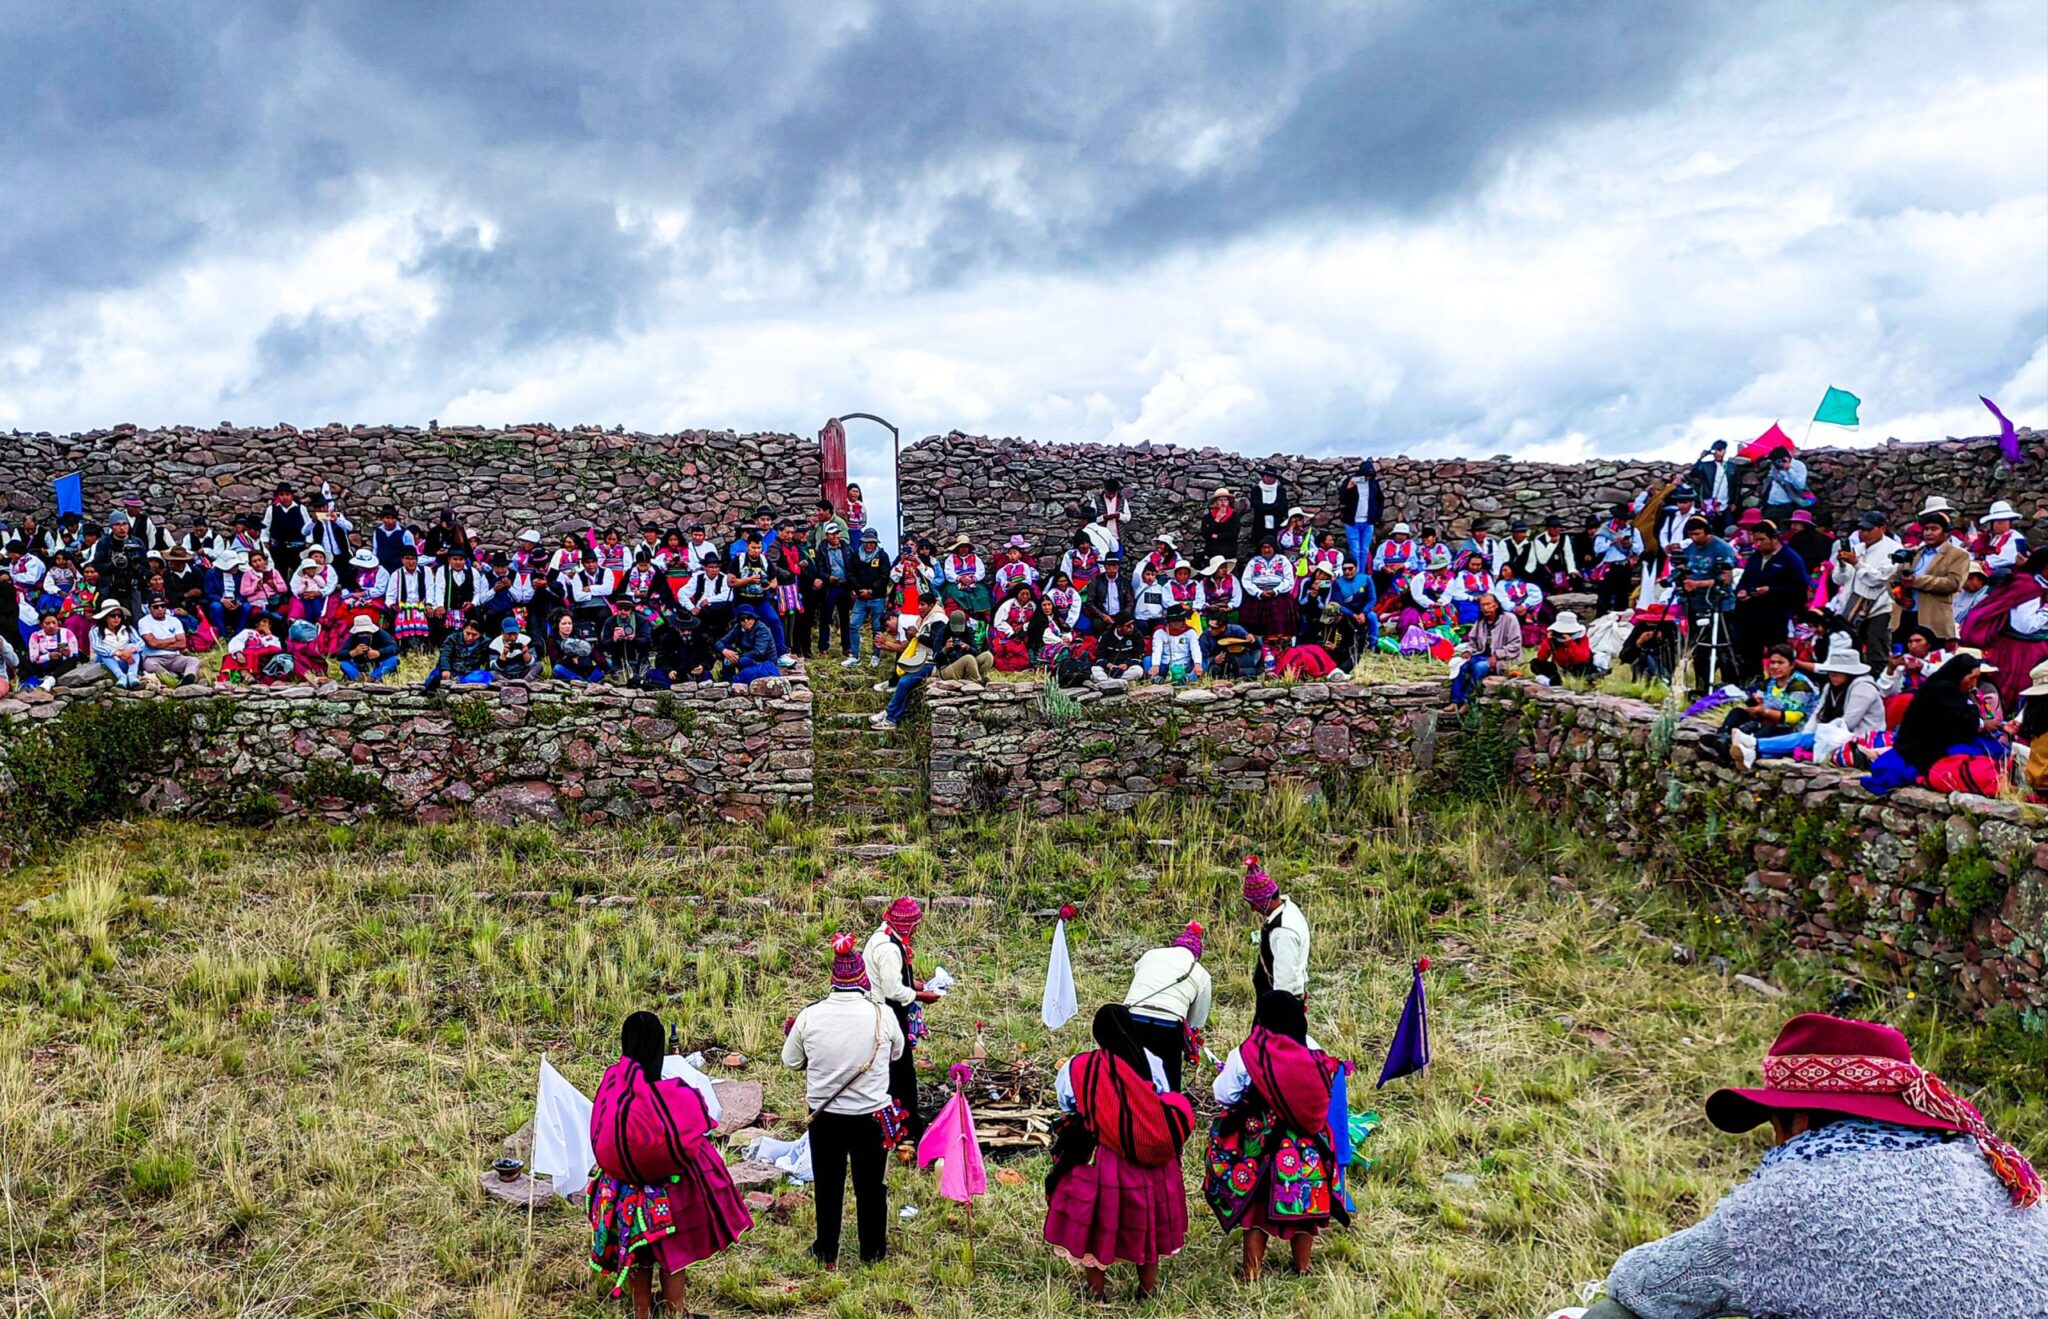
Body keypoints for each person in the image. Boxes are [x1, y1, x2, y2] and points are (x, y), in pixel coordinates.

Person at [1572, 1013, 2042, 1319]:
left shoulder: (1791, 1198)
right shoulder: (1985, 1163)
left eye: (1776, 1124)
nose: (1776, 1145)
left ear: (1799, 1116)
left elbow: (1647, 1287)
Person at [588, 1011, 752, 1317]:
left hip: (622, 1192)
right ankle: (676, 1313)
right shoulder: (669, 1094)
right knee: (672, 1255)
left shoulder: (613, 1084)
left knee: (640, 1253)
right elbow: (699, 1121)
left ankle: (642, 1312)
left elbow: (599, 1126)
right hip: (667, 1194)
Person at [1044, 1004, 1197, 1303]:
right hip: (1152, 1161)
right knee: (1148, 1225)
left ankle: (1097, 1294)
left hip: (1104, 1157)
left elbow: (1068, 1103)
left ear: (1098, 1034)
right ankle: (1146, 1292)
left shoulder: (1079, 1067)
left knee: (1096, 1225)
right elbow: (1162, 1100)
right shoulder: (1151, 1061)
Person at [1203, 991, 1349, 1282]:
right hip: (1310, 1143)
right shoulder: (1314, 1050)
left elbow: (1224, 1094)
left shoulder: (1248, 1052)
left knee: (1255, 1210)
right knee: (1308, 1205)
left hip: (1262, 1143)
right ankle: (1302, 1267)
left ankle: (1251, 1271)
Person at [782, 935, 904, 1269]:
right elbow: (897, 1052)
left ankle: (826, 1250)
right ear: (862, 979)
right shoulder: (881, 1015)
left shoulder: (810, 1016)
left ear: (833, 981)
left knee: (828, 1182)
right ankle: (872, 1250)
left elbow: (791, 1060)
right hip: (872, 1114)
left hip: (826, 1115)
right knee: (872, 1184)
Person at [1731, 641, 1883, 768]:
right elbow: (1818, 714)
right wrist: (1806, 734)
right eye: (1830, 671)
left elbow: (1848, 722)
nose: (1832, 675)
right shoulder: (1830, 687)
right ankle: (1750, 753)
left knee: (1808, 740)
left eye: (1837, 672)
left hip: (1861, 740)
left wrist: (1815, 736)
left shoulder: (1863, 688)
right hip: (1834, 736)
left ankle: (1753, 744)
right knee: (1803, 741)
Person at [863, 898, 937, 1143]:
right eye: (914, 925)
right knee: (901, 1069)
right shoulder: (888, 948)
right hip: (887, 1014)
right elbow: (893, 990)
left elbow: (891, 978)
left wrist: (913, 983)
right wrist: (920, 995)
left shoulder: (887, 937)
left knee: (895, 1067)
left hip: (885, 1009)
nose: (916, 929)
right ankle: (906, 1125)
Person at [1120, 921, 1212, 1095]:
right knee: (1168, 1075)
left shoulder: (1151, 955)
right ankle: (1167, 1112)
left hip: (1132, 1016)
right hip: (1168, 1024)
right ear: (1197, 954)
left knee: (1131, 1070)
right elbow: (1196, 1022)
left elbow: (1138, 974)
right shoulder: (1200, 972)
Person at [1732, 519, 1809, 680]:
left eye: (1762, 540)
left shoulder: (1790, 558)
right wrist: (1741, 591)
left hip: (1776, 616)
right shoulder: (1755, 557)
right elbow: (1744, 580)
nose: (1758, 544)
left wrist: (1771, 590)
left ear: (1774, 539)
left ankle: (1780, 683)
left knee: (1777, 653)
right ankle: (1753, 681)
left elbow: (1800, 587)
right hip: (1751, 614)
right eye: (1755, 541)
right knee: (1749, 652)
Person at [1829, 510, 1903, 665]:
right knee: (1848, 651)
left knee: (1877, 653)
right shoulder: (1857, 548)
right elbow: (1839, 580)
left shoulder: (1895, 549)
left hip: (1880, 609)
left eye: (1869, 529)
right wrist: (1842, 565)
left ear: (1882, 528)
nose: (1865, 533)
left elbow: (1879, 579)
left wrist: (1857, 563)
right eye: (1862, 530)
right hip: (1851, 609)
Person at [1895, 512, 1971, 645]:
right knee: (1903, 660)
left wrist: (1917, 581)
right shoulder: (1914, 552)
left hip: (1934, 619)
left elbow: (1954, 583)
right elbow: (1893, 579)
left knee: (1934, 661)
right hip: (1906, 616)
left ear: (1946, 533)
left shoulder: (1958, 555)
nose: (1929, 533)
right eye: (1926, 529)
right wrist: (1899, 597)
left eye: (1934, 529)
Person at [1241, 856, 1309, 1000]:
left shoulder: (1283, 932)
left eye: (1254, 904)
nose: (1253, 909)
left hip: (1281, 1003)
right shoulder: (1287, 908)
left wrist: (1276, 1010)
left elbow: (1285, 979)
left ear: (1266, 901)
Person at [872, 604, 947, 729]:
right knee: (906, 683)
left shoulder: (933, 620)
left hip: (930, 661)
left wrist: (886, 643)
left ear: (892, 618)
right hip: (922, 659)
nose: (888, 630)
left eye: (887, 625)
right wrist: (886, 646)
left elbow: (903, 647)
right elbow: (904, 648)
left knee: (904, 682)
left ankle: (890, 716)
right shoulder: (921, 620)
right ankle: (890, 715)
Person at [1449, 590, 1522, 711]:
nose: (1486, 608)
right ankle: (1455, 701)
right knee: (1461, 667)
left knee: (1479, 667)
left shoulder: (1509, 619)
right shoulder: (1481, 621)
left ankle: (1468, 700)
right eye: (1483, 605)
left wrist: (1498, 655)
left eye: (1489, 604)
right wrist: (1469, 651)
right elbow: (1473, 642)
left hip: (1504, 658)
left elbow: (1515, 644)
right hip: (1483, 655)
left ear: (1496, 605)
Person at [845, 528, 892, 668]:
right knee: (853, 625)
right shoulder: (855, 555)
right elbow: (850, 573)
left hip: (877, 597)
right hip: (860, 597)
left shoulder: (882, 556)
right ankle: (854, 656)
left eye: (871, 542)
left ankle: (876, 655)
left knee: (877, 627)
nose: (869, 545)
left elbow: (884, 576)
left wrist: (871, 590)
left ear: (876, 543)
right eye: (866, 542)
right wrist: (858, 589)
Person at [135, 596, 201, 684]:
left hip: (174, 657)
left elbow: (182, 644)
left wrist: (159, 643)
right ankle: (173, 678)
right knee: (150, 665)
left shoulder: (174, 620)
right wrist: (172, 639)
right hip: (153, 658)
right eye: (156, 607)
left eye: (162, 606)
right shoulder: (143, 622)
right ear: (149, 608)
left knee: (194, 661)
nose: (160, 609)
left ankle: (187, 678)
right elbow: (152, 644)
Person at [424, 617, 495, 688]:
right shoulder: (452, 638)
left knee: (485, 676)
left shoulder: (485, 643)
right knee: (434, 677)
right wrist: (445, 669)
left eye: (474, 635)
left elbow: (488, 662)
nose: (470, 637)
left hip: (468, 673)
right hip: (450, 670)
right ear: (463, 630)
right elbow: (445, 655)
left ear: (480, 634)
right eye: (467, 633)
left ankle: (461, 682)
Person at [1335, 459, 1381, 567]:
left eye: (1370, 475)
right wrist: (1348, 488)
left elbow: (1380, 499)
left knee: (1364, 551)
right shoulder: (1351, 481)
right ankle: (1355, 575)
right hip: (1352, 522)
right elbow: (1342, 499)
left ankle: (1362, 575)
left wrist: (1376, 515)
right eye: (1366, 475)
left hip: (1368, 522)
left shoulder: (1374, 484)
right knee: (1355, 551)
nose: (1367, 478)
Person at [1528, 611, 1593, 685]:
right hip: (1560, 667)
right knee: (1536, 663)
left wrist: (1570, 643)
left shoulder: (1581, 638)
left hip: (1577, 667)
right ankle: (1556, 679)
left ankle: (1557, 681)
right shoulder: (1554, 639)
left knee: (1582, 667)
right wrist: (1548, 641)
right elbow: (1541, 657)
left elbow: (1581, 659)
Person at [714, 610, 777, 685]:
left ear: (754, 618)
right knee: (729, 652)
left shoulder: (761, 629)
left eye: (748, 618)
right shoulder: (738, 628)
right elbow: (719, 643)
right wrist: (724, 650)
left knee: (742, 670)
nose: (746, 621)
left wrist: (738, 656)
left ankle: (732, 682)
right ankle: (726, 681)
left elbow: (759, 652)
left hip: (764, 664)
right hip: (747, 660)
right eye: (742, 619)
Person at [89, 601, 144, 688]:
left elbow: (141, 643)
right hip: (106, 665)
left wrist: (129, 651)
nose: (117, 618)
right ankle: (121, 676)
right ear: (105, 617)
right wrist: (118, 653)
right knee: (105, 652)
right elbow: (97, 647)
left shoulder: (128, 628)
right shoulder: (96, 630)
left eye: (119, 615)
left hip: (126, 661)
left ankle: (132, 674)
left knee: (133, 646)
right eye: (113, 615)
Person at [1145, 604, 1203, 682]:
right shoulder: (1160, 632)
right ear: (1170, 621)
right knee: (1147, 660)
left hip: (1185, 665)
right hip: (1165, 665)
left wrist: (1197, 664)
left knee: (1202, 663)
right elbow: (1157, 650)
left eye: (1183, 619)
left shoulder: (1190, 632)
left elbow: (1195, 649)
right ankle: (1155, 679)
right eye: (1178, 620)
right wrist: (1155, 665)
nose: (1182, 622)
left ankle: (1188, 679)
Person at [1756, 448, 1812, 526]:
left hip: (1786, 505)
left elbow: (1800, 486)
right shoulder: (1775, 467)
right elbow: (1770, 479)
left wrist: (1789, 470)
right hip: (1771, 505)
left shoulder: (1799, 466)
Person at [337, 614, 400, 681]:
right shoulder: (353, 637)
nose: (364, 635)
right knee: (344, 664)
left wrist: (379, 653)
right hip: (359, 667)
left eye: (367, 632)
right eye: (361, 633)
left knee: (393, 660)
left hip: (379, 666)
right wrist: (352, 653)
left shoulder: (380, 634)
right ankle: (359, 678)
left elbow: (395, 647)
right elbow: (339, 656)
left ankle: (373, 678)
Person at [1199, 489, 1242, 568]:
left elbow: (1233, 533)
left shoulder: (1234, 516)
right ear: (1215, 502)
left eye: (1225, 500)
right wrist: (1217, 520)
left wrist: (1217, 536)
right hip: (1212, 553)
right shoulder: (1208, 517)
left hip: (1229, 553)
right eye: (1220, 500)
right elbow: (1206, 534)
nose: (1223, 502)